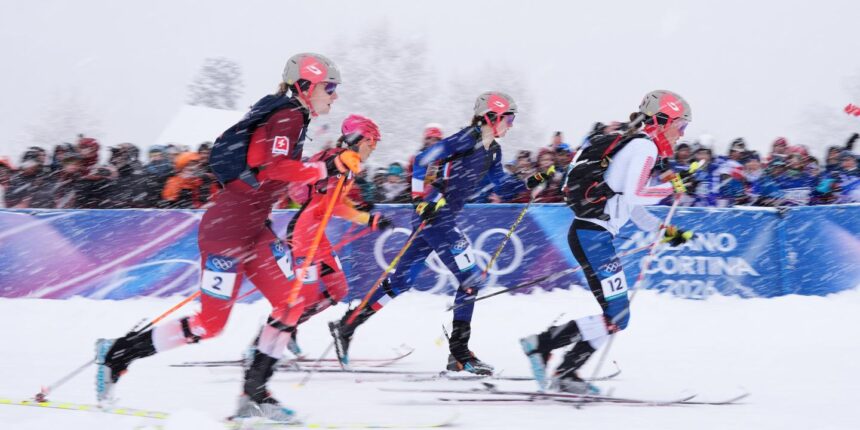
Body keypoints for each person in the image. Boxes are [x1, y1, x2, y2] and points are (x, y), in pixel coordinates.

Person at [94, 53, 354, 423]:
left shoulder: (292, 117)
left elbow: (279, 171)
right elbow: (272, 169)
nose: (334, 95)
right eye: (329, 87)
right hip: (228, 231)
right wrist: (325, 167)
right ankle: (118, 353)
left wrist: (329, 167)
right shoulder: (289, 114)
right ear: (305, 85)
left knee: (291, 303)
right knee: (211, 324)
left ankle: (255, 394)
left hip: (253, 228)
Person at [328, 91, 554, 375]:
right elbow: (423, 159)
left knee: (401, 282)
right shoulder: (466, 139)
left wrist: (532, 180)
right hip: (435, 216)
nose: (511, 124)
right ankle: (459, 353)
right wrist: (421, 199)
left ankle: (347, 325)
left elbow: (502, 187)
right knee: (470, 279)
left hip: (442, 218)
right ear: (491, 117)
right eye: (508, 118)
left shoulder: (493, 151)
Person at [519, 90, 696, 394]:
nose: (682, 134)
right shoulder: (644, 148)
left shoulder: (640, 146)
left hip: (591, 234)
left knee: (615, 316)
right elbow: (636, 194)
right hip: (593, 236)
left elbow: (634, 208)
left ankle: (564, 367)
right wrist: (671, 188)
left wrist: (665, 231)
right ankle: (546, 348)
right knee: (618, 315)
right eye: (680, 125)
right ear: (663, 120)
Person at [277, 114, 392, 354]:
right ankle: (263, 343)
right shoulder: (340, 160)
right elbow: (329, 199)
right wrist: (366, 218)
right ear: (358, 139)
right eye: (371, 142)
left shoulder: (348, 167)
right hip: (302, 234)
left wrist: (367, 216)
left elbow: (336, 203)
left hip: (316, 235)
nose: (373, 147)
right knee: (303, 295)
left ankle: (288, 327)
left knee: (337, 290)